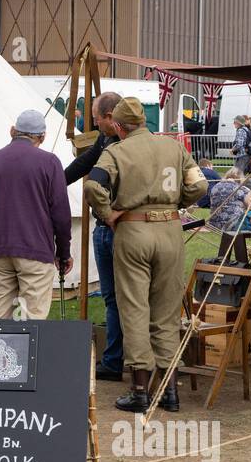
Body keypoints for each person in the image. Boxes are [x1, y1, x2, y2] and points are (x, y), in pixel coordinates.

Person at [85, 97, 208, 413]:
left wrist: (107, 214)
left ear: (119, 127)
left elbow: (92, 187)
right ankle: (169, 392)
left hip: (133, 230)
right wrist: (174, 203)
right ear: (144, 122)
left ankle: (140, 391)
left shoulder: (116, 151)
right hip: (170, 230)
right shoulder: (173, 147)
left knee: (134, 309)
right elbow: (199, 185)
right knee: (167, 312)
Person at [0, 110, 72, 320]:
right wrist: (63, 252)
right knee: (31, 318)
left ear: (12, 131)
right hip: (36, 250)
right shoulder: (50, 163)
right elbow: (61, 215)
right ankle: (24, 354)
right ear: (42, 137)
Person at [64, 91, 123, 381]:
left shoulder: (124, 145)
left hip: (119, 229)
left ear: (110, 117)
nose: (95, 123)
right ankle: (115, 360)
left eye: (97, 118)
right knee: (115, 299)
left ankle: (121, 362)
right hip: (108, 229)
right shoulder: (105, 140)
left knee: (123, 299)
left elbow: (94, 184)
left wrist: (110, 214)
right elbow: (83, 163)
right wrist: (53, 181)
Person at [205, 168, 251, 261]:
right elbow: (250, 206)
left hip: (214, 223)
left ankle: (223, 259)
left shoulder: (215, 187)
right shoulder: (242, 188)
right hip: (233, 224)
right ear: (240, 177)